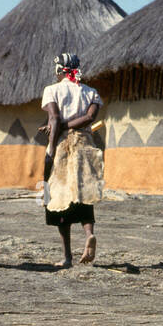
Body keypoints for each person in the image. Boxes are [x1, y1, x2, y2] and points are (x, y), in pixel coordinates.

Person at [41, 51, 103, 267]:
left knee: (59, 197)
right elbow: (89, 118)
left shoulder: (52, 90)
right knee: (84, 193)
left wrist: (52, 140)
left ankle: (67, 256)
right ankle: (88, 236)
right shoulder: (91, 92)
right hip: (86, 144)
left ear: (59, 69)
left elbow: (55, 118)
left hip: (64, 146)